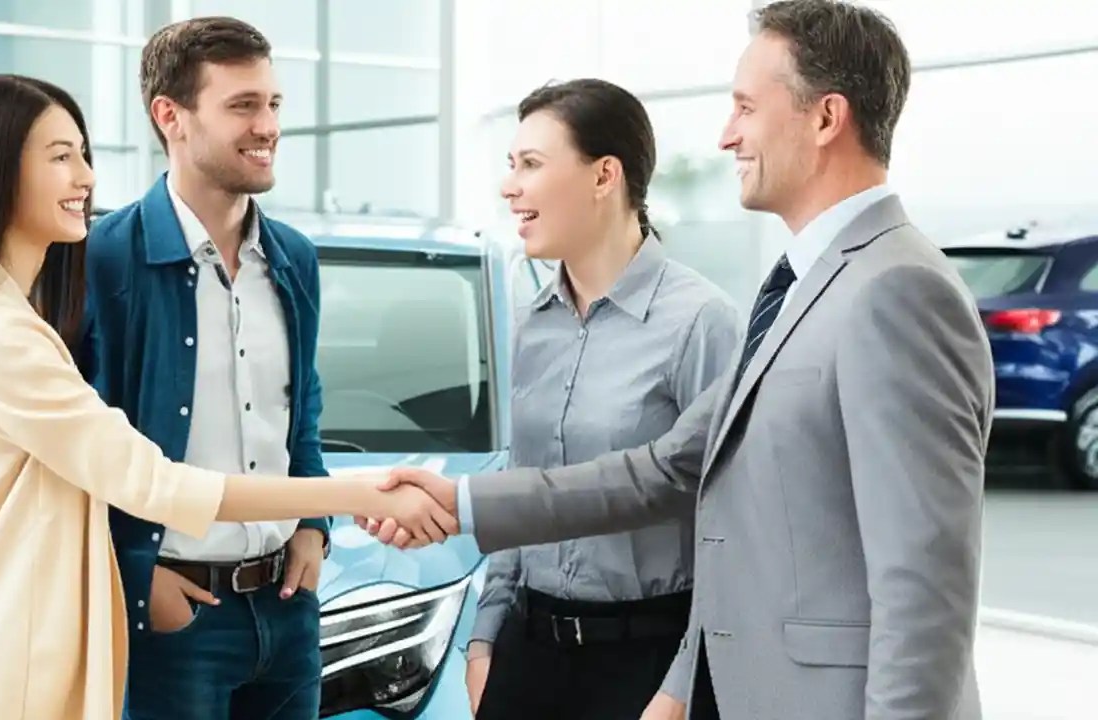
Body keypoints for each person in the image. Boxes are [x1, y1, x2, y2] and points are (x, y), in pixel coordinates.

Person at [371, 2, 993, 719]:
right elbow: (667, 468)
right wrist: (462, 504)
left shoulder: (896, 289)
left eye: (745, 108)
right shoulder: (802, 289)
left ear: (826, 119)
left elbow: (924, 596)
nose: (727, 136)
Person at [0, 72, 455, 720]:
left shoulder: (3, 319)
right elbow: (152, 481)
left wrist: (312, 524)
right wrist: (360, 493)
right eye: (61, 157)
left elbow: (296, 406)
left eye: (84, 154)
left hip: (18, 657)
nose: (85, 178)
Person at [75, 16, 332, 720]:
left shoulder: (295, 259)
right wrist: (139, 575)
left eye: (273, 104)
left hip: (289, 610)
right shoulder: (103, 260)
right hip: (175, 615)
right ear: (171, 117)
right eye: (242, 105)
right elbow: (76, 452)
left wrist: (314, 520)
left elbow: (300, 407)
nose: (268, 125)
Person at [465, 78, 740, 720]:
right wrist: (485, 638)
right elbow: (523, 484)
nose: (510, 187)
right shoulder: (534, 324)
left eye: (531, 165)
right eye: (512, 166)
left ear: (604, 176)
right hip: (527, 653)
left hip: (645, 663)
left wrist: (680, 687)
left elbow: (729, 530)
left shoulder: (701, 323)